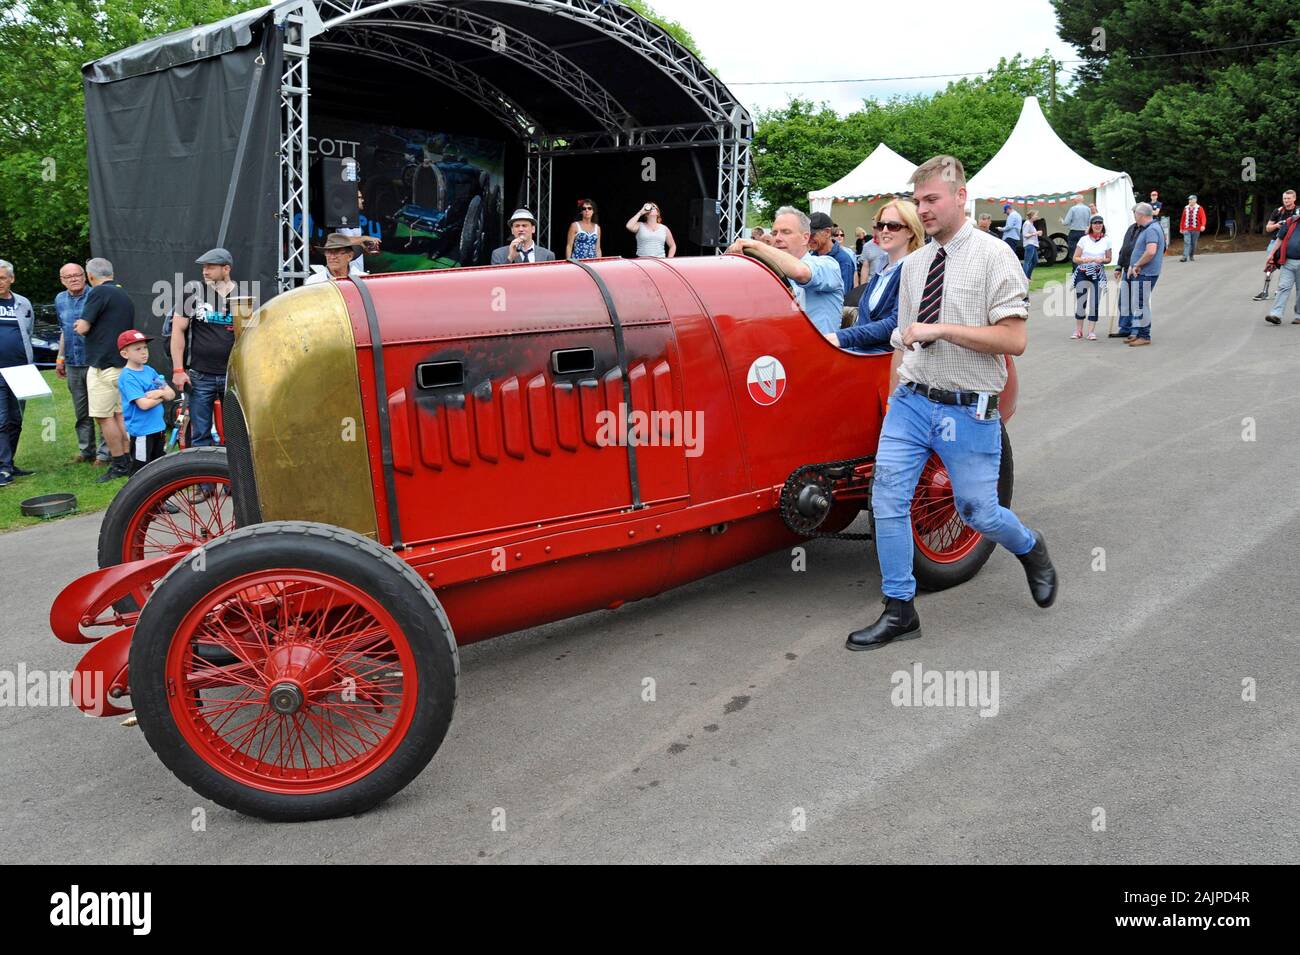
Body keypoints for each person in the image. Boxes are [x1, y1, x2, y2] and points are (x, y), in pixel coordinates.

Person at [845, 155, 1057, 652]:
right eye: (918, 201)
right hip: (912, 403)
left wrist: (942, 330)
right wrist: (897, 391)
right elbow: (903, 339)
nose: (924, 210)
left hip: (967, 408)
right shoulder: (914, 265)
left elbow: (1014, 339)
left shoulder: (995, 255)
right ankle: (900, 609)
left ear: (961, 197)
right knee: (888, 500)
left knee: (978, 511)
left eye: (931, 200)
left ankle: (1030, 547)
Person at [724, 205, 843, 334]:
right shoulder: (769, 271)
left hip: (818, 350)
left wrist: (757, 245)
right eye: (774, 233)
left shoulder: (828, 265)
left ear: (805, 238)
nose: (778, 238)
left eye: (786, 232)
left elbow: (801, 272)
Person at [828, 199, 924, 352]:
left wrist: (841, 337)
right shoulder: (883, 266)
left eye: (893, 226)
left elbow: (896, 324)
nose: (884, 230)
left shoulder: (914, 269)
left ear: (911, 231)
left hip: (884, 361)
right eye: (880, 225)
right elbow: (865, 320)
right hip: (860, 353)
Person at [75, 258, 135, 481]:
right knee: (120, 415)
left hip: (104, 365)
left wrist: (78, 326)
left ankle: (118, 464)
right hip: (121, 363)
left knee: (104, 417)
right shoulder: (123, 294)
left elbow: (83, 327)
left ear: (90, 276)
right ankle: (129, 461)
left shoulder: (97, 293)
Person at [170, 248, 237, 449]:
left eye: (211, 267)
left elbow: (250, 338)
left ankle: (232, 479)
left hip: (232, 376)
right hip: (200, 375)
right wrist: (178, 370)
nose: (205, 271)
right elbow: (177, 331)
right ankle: (205, 481)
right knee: (200, 434)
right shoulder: (192, 293)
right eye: (203, 267)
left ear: (226, 269)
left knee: (236, 434)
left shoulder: (242, 296)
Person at [53, 263, 106, 464]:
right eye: (69, 276)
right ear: (62, 280)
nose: (73, 279)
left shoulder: (96, 296)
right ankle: (86, 451)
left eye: (77, 275)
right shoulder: (60, 300)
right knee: (81, 411)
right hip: (73, 363)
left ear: (85, 277)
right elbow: (64, 330)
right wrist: (60, 357)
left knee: (101, 409)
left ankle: (104, 454)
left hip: (94, 361)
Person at [116, 329, 175, 474]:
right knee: (140, 470)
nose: (144, 352)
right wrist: (162, 395)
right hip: (142, 432)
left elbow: (171, 394)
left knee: (159, 466)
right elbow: (143, 404)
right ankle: (135, 496)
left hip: (159, 429)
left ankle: (159, 496)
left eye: (145, 348)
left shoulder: (150, 371)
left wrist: (158, 393)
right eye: (138, 349)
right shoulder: (128, 377)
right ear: (125, 354)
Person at [0, 259, 36, 487]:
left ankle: (9, 462)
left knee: (16, 420)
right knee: (1, 420)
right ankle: (2, 468)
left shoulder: (23, 303)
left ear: (11, 279)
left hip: (22, 371)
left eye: (3, 277)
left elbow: (28, 333)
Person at [1122, 202, 1165, 346]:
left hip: (1146, 273)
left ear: (1140, 215)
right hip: (1144, 272)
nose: (1134, 217)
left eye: (1135, 214)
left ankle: (1144, 336)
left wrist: (1138, 264)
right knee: (1139, 303)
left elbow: (1151, 251)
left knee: (1141, 304)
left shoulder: (1151, 229)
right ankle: (1140, 333)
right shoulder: (1150, 228)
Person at [1070, 215, 1111, 340]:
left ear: (1102, 225)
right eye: (1095, 223)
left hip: (1097, 273)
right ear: (1091, 225)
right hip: (1083, 272)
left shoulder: (1106, 240)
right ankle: (1078, 331)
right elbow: (1075, 258)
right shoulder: (1084, 239)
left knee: (1095, 302)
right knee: (1081, 301)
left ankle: (1091, 331)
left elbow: (1109, 259)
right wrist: (1083, 260)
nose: (1097, 225)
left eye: (1100, 223)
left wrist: (1102, 260)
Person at [1256, 190, 1298, 300]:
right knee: (1270, 264)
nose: (1286, 200)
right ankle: (1265, 291)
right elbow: (1268, 228)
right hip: (1276, 240)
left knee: (1285, 265)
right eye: (1284, 198)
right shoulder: (1277, 211)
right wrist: (1277, 225)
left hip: (1291, 242)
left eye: (1289, 198)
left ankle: (1280, 290)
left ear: (1294, 199)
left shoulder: (1298, 211)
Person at [1264, 203, 1300, 325]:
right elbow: (1279, 239)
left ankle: (1299, 315)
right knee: (1283, 288)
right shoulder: (1290, 221)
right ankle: (1276, 314)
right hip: (1288, 261)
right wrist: (1271, 255)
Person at [1110, 218, 1144, 339]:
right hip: (1126, 269)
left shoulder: (1147, 230)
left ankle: (1136, 330)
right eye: (1135, 214)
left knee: (1137, 301)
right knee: (1124, 300)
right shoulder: (1131, 228)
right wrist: (1119, 266)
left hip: (1138, 270)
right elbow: (1124, 248)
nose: (1136, 217)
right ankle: (1125, 328)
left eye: (1138, 214)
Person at [809, 212, 856, 292]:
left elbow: (843, 294)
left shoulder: (843, 260)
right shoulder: (811, 257)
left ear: (827, 232)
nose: (808, 239)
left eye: (812, 235)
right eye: (806, 235)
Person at [490, 209, 555, 264]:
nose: (520, 229)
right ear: (512, 230)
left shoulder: (547, 255)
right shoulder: (498, 254)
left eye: (524, 225)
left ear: (533, 229)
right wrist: (510, 258)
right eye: (517, 226)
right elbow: (497, 278)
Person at [305, 233, 374, 284]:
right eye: (329, 253)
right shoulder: (313, 281)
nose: (332, 257)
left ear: (349, 256)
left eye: (337, 252)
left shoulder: (363, 279)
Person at [1061, 195, 1092, 262]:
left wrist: (1062, 221)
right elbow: (1090, 222)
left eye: (1074, 199)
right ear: (1082, 200)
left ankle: (1075, 270)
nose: (1073, 200)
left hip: (1074, 232)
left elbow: (1066, 222)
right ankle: (1085, 269)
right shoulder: (1088, 209)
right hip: (1084, 232)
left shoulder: (1073, 209)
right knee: (1084, 251)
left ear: (1076, 200)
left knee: (1074, 251)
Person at [1178, 194, 1206, 261]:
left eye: (1191, 199)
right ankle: (1184, 257)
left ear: (1195, 200)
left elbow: (1203, 217)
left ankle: (1191, 255)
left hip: (1196, 229)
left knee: (1193, 243)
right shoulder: (1186, 208)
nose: (1189, 201)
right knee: (1187, 242)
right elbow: (1183, 219)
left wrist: (1203, 225)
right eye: (1189, 200)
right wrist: (1181, 228)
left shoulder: (1200, 208)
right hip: (1186, 229)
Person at [1021, 208, 1042, 279]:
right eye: (1036, 215)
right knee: (1027, 261)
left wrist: (1037, 233)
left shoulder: (1031, 224)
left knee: (1035, 261)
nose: (1037, 216)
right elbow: (1025, 234)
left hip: (1033, 244)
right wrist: (1035, 233)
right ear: (1032, 216)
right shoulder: (1027, 224)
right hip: (1029, 244)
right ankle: (1024, 278)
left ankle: (1028, 276)